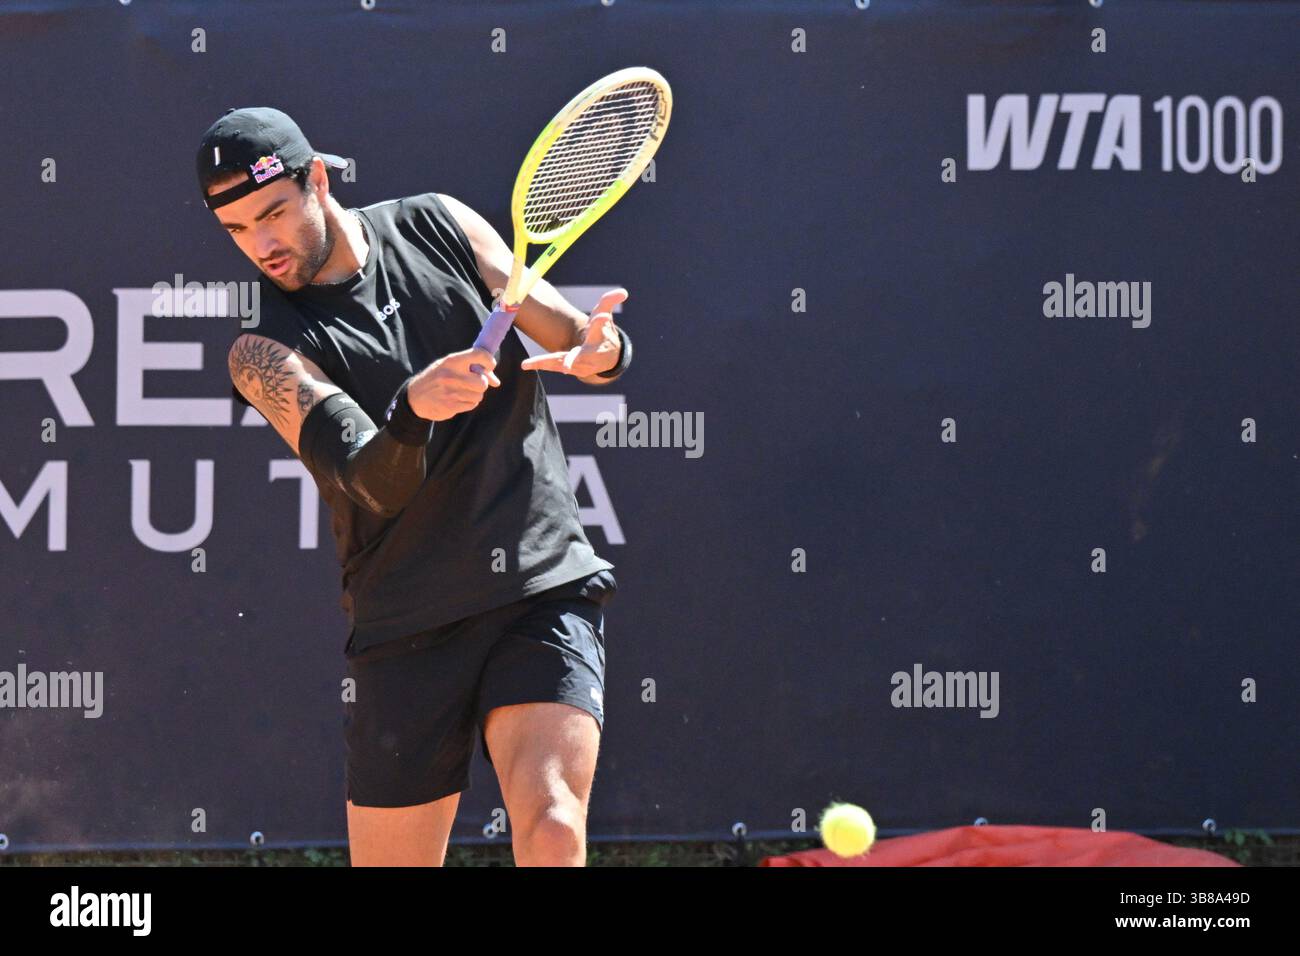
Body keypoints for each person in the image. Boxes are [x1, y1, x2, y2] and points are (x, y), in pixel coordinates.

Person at [195, 107, 633, 866]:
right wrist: (410, 412)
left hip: (539, 584)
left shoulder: (440, 224)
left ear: (318, 181)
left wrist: (603, 349)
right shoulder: (263, 352)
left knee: (555, 825)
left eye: (273, 213)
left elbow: (573, 336)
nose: (261, 244)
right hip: (406, 625)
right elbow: (370, 482)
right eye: (237, 230)